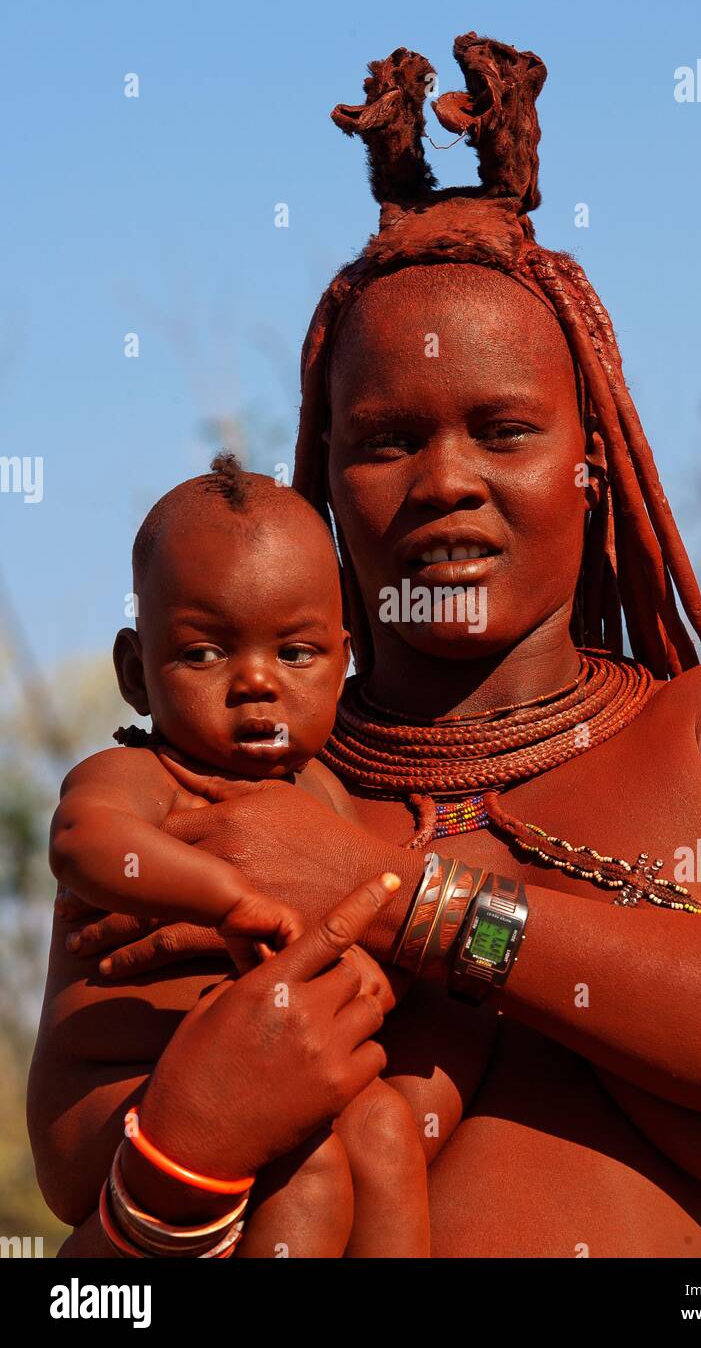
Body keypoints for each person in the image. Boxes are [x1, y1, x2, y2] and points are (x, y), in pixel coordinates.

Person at [29, 32, 701, 1259]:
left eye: (502, 429)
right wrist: (183, 1158)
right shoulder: (201, 783)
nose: (444, 483)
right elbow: (80, 1237)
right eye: (383, 441)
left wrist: (411, 903)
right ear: (320, 479)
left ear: (594, 463)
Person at [44, 454, 442, 1257]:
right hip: (118, 1107)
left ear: (344, 661)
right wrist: (224, 896)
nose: (255, 683)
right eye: (203, 654)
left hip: (288, 1079)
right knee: (316, 1168)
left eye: (294, 654)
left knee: (387, 1131)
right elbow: (84, 841)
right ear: (134, 673)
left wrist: (379, 972)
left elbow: (382, 909)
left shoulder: (326, 798)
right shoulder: (143, 774)